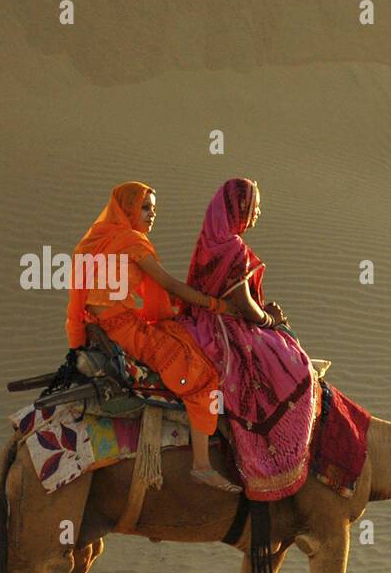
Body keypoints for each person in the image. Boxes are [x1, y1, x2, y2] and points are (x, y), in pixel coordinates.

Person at [65, 181, 240, 492]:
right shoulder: (132, 242)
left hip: (105, 327)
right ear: (127, 208)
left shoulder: (99, 241)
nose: (151, 215)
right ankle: (201, 465)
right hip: (125, 328)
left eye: (154, 209)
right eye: (145, 207)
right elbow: (168, 284)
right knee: (201, 376)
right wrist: (217, 305)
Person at [177, 178, 315, 501]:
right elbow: (243, 303)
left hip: (202, 321)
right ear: (238, 208)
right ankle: (273, 458)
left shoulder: (210, 240)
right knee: (292, 366)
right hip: (224, 330)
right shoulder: (233, 248)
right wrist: (269, 320)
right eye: (253, 207)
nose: (256, 214)